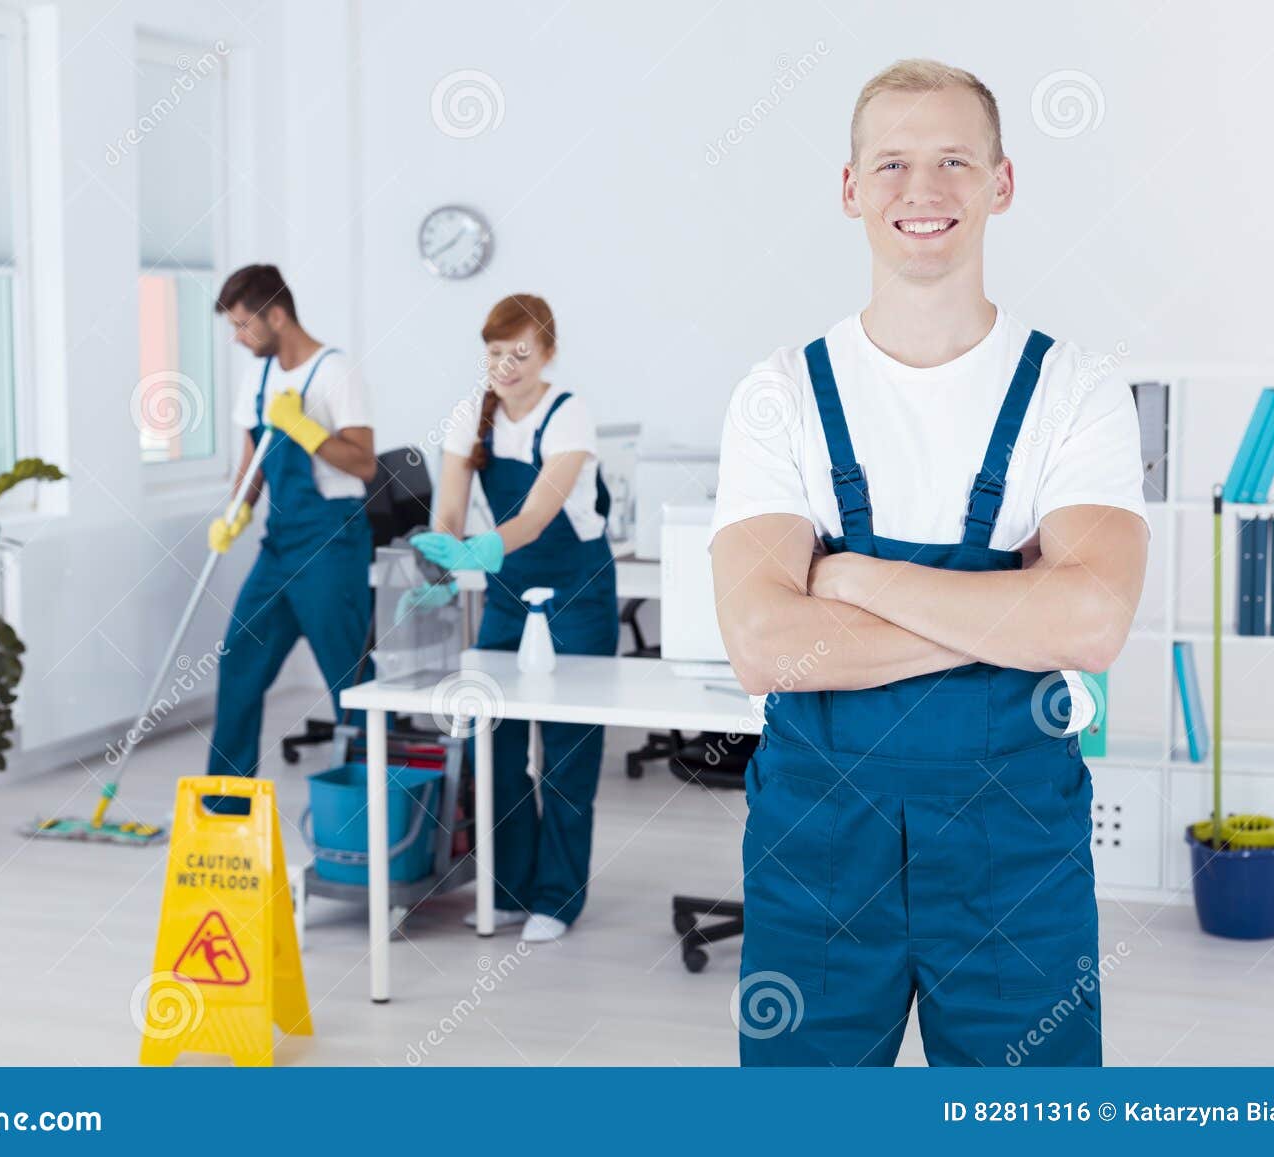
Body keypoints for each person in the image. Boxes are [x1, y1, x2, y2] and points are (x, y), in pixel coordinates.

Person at [710, 60, 1149, 1067]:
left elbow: (1089, 624)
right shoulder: (777, 394)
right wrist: (1006, 609)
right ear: (850, 188)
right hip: (817, 842)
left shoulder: (1074, 391)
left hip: (1011, 849)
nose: (923, 188)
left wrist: (849, 577)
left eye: (954, 158)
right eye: (894, 162)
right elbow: (765, 645)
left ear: (1000, 181)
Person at [410, 294, 619, 943]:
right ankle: (507, 887)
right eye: (496, 351)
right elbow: (449, 508)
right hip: (506, 595)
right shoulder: (469, 413)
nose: (505, 364)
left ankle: (558, 896)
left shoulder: (569, 414)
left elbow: (537, 512)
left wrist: (490, 544)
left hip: (576, 594)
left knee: (566, 750)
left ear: (547, 354)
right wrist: (440, 558)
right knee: (489, 742)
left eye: (519, 352)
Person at [204, 264, 378, 797]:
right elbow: (253, 459)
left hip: (332, 542)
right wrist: (236, 511)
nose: (237, 337)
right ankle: (226, 807)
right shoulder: (256, 376)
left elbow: (365, 464)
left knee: (350, 681)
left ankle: (381, 803)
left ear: (275, 315)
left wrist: (306, 429)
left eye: (242, 325)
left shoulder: (335, 372)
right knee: (239, 667)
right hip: (280, 545)